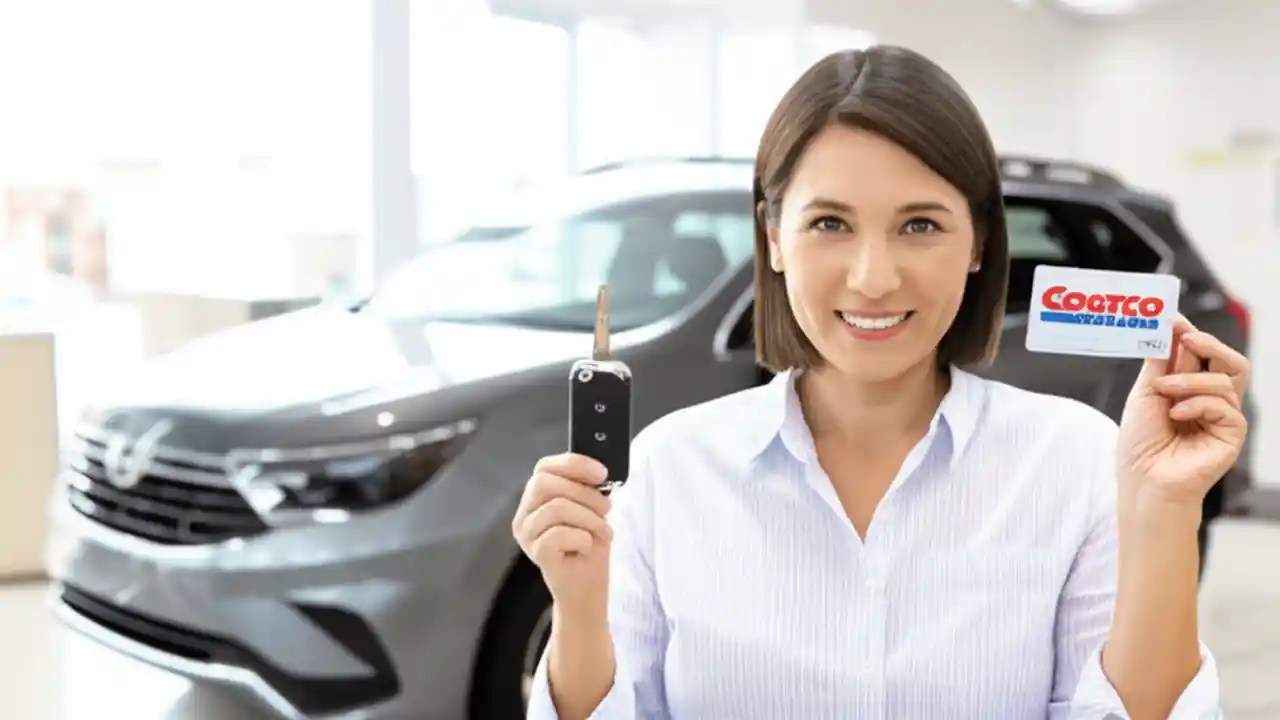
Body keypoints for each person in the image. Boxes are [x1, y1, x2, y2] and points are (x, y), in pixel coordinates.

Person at [512, 44, 1249, 719]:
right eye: (830, 224)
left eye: (920, 225)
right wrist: (577, 609)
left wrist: (1164, 513)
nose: (873, 278)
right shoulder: (673, 468)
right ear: (773, 238)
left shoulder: (1076, 458)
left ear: (978, 244)